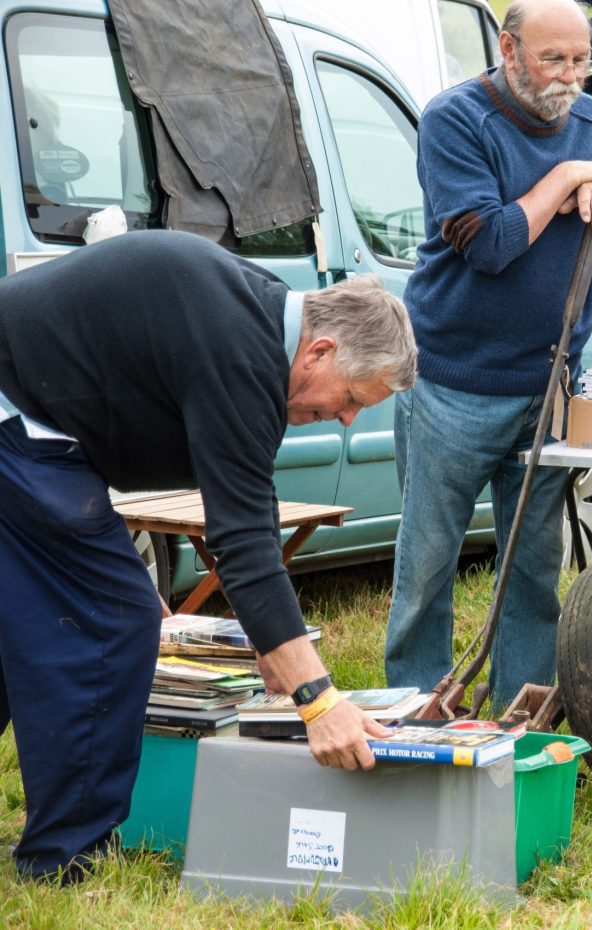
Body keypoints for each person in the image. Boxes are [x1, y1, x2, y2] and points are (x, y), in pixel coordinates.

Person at [0, 229, 417, 881]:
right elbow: (244, 541)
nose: (345, 421)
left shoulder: (253, 326)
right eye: (354, 400)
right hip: (18, 424)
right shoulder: (242, 354)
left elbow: (231, 504)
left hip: (26, 418)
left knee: (32, 615)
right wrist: (318, 700)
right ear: (322, 350)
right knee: (112, 619)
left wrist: (269, 639)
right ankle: (64, 857)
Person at [384, 0, 592, 701]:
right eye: (552, 59)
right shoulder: (455, 119)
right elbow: (491, 245)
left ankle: (518, 716)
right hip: (454, 381)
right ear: (507, 48)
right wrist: (565, 180)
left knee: (534, 563)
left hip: (550, 380)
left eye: (582, 60)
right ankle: (415, 711)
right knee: (429, 564)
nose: (570, 76)